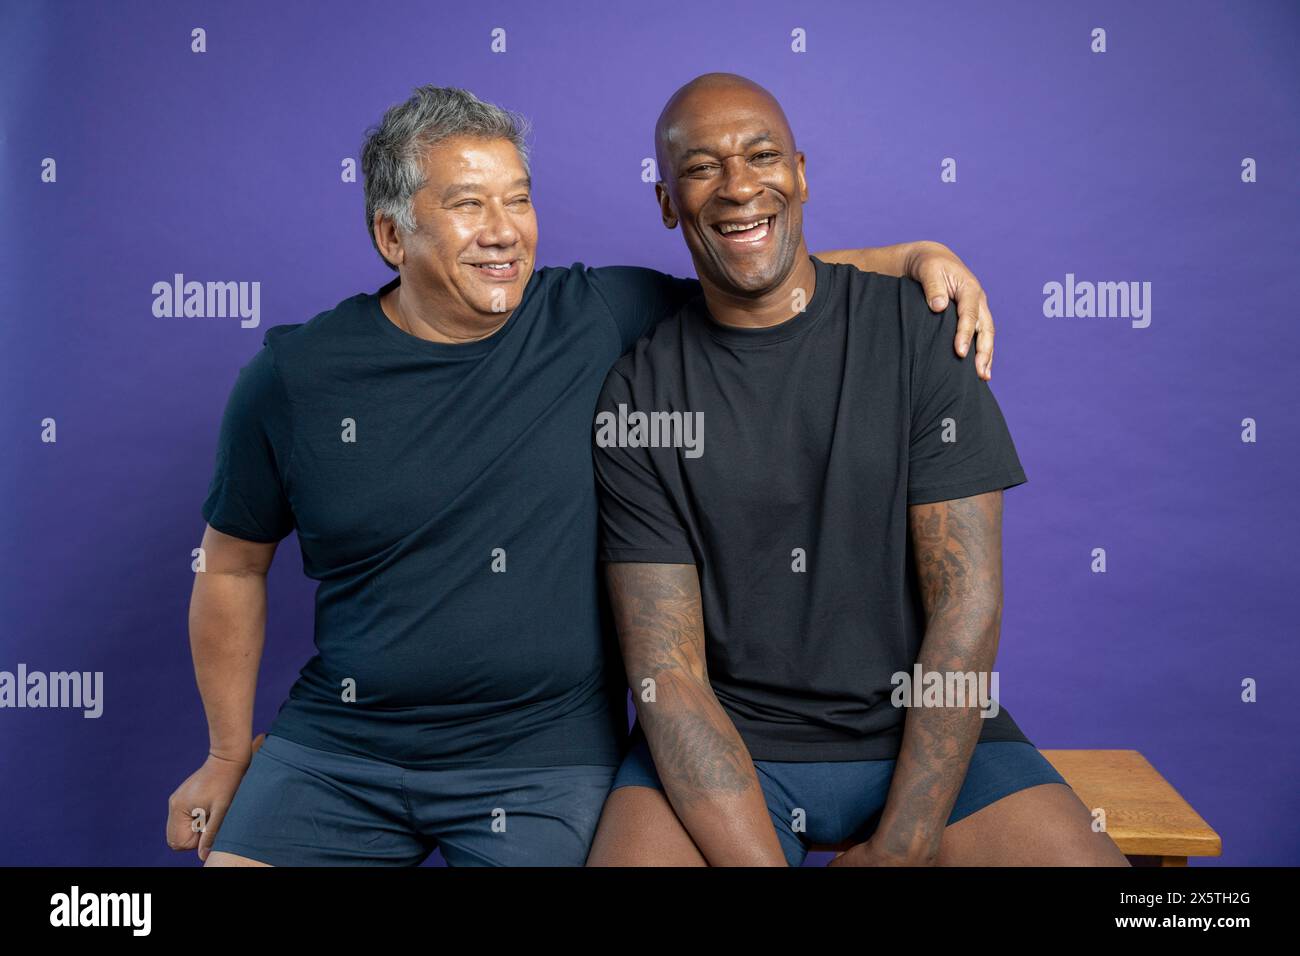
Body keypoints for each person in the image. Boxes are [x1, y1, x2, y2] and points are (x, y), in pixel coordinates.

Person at [165, 84, 1003, 866]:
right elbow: (233, 566)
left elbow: (753, 263)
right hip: (339, 751)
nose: (504, 230)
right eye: (467, 205)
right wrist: (225, 753)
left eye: (519, 199)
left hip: (541, 762)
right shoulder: (293, 377)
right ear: (391, 236)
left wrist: (914, 255)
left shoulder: (596, 317)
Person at [586, 73, 1130, 866]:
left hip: (931, 737)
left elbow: (966, 606)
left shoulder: (920, 331)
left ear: (800, 173)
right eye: (701, 168)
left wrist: (901, 849)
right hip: (726, 744)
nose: (739, 185)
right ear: (669, 203)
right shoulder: (640, 391)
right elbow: (668, 675)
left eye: (761, 155)